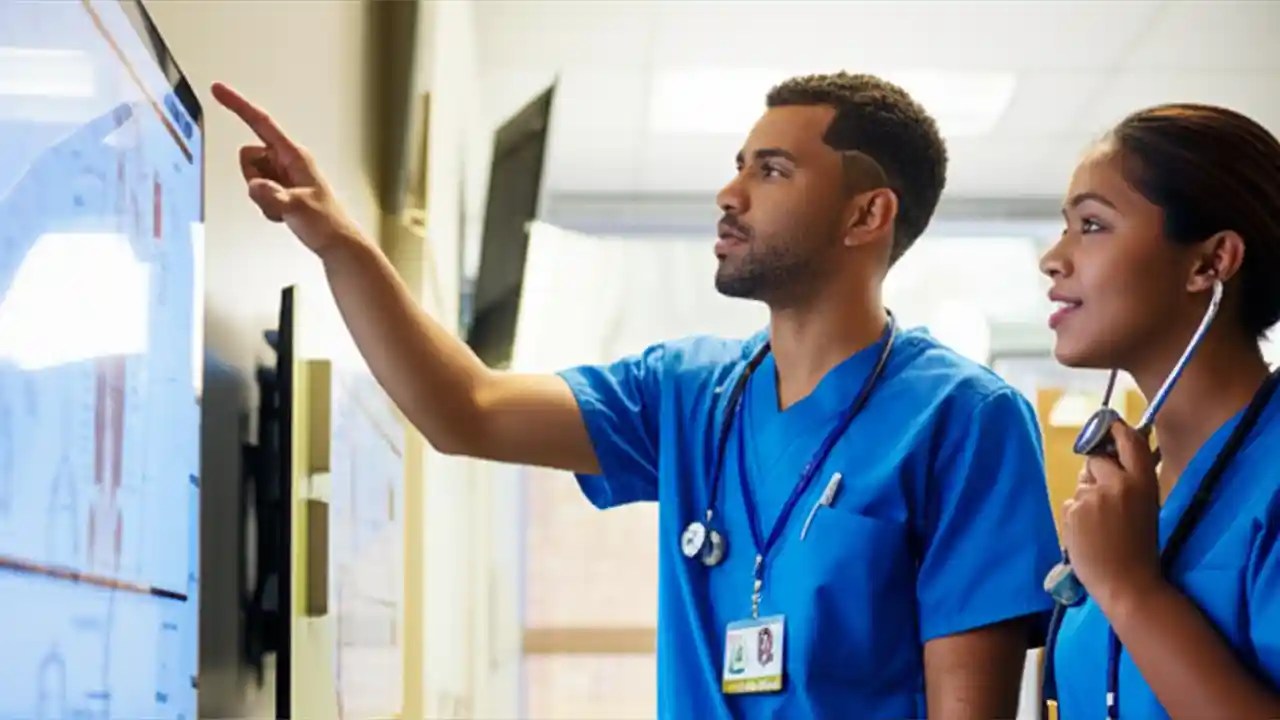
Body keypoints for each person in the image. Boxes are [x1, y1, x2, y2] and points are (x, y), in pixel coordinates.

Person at [213, 71, 1060, 718]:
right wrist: (336, 242)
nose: (729, 195)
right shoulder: (688, 393)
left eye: (771, 171)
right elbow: (460, 409)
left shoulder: (965, 418)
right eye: (738, 167)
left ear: (866, 215)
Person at [1040, 103, 1280, 719]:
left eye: (1092, 226)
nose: (1053, 258)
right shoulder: (1131, 495)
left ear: (1210, 262)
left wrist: (1131, 589)